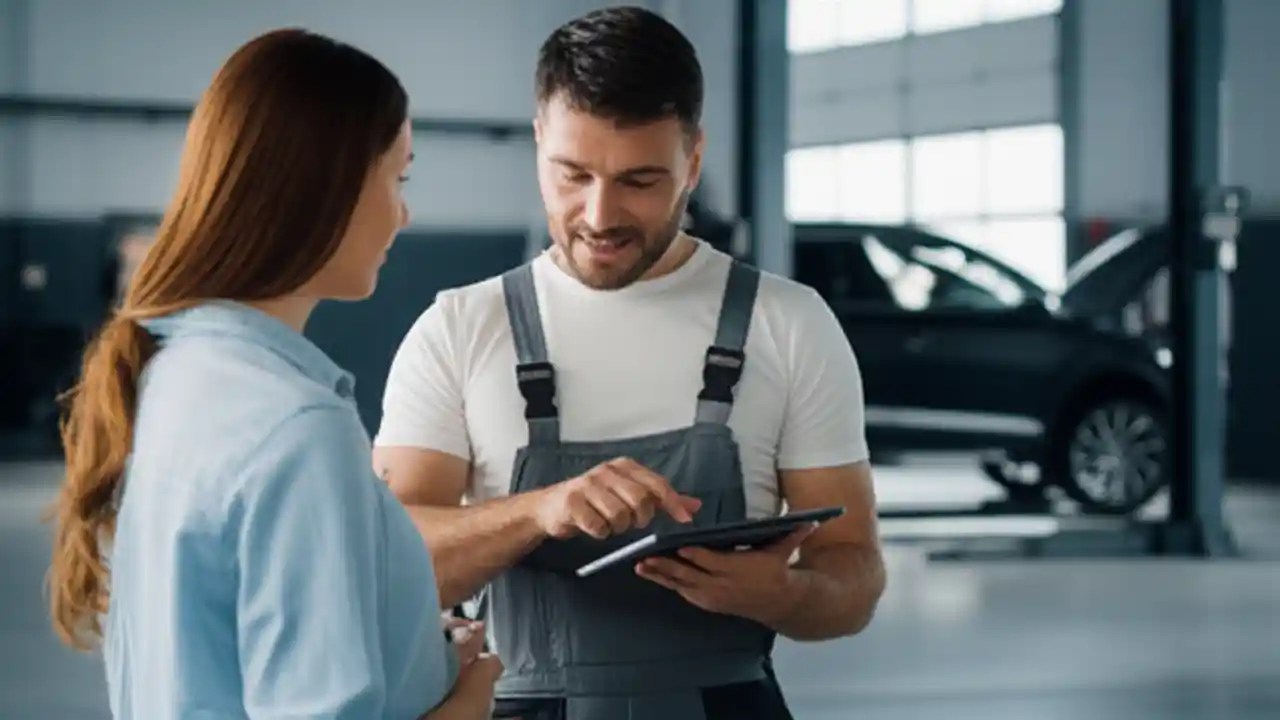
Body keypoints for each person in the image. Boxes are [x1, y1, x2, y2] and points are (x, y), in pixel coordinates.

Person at [374, 7, 887, 720]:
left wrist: (789, 595)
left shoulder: (789, 325)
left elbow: (855, 572)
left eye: (640, 181)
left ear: (693, 161)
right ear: (537, 146)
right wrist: (539, 511)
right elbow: (390, 568)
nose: (599, 213)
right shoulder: (458, 330)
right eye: (571, 174)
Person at [46, 29, 501, 720]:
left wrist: (407, 650)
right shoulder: (297, 428)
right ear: (330, 185)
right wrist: (467, 703)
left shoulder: (178, 375)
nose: (403, 214)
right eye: (397, 178)